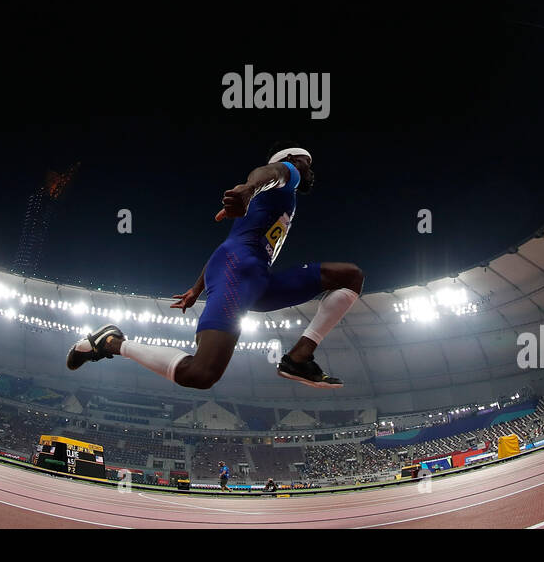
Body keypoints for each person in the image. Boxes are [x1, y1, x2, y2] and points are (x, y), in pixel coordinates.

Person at [66, 143, 364, 390]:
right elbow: (268, 173)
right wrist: (248, 188)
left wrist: (197, 288)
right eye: (305, 162)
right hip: (240, 271)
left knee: (350, 277)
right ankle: (112, 343)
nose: (310, 169)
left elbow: (227, 246)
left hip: (254, 276)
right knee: (200, 374)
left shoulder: (281, 199)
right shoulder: (286, 175)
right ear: (290, 161)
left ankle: (299, 357)